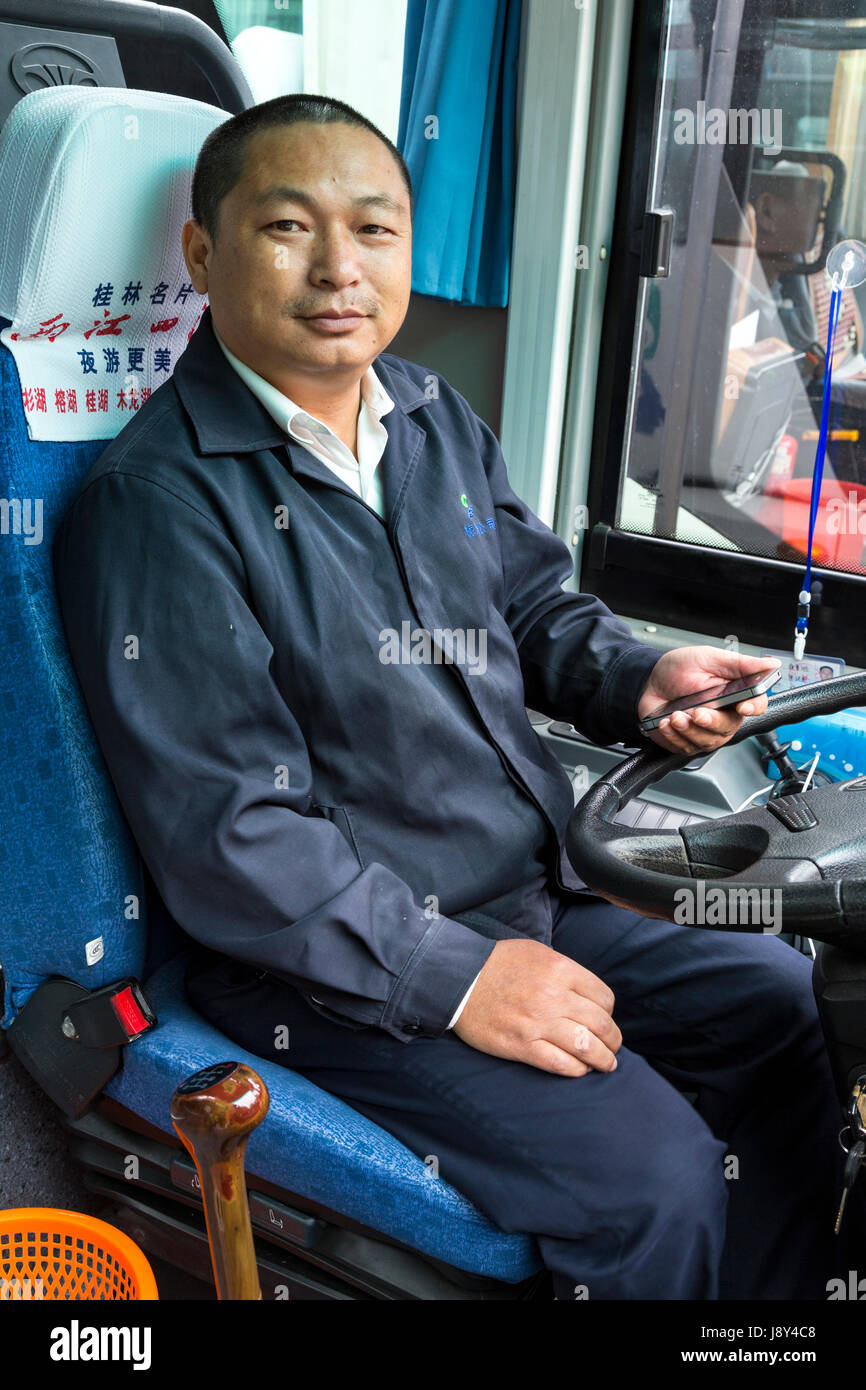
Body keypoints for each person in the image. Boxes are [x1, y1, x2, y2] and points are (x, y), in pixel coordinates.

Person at [53, 94, 858, 1300]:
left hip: (531, 886)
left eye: (373, 230)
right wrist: (459, 977)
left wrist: (642, 675)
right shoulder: (160, 506)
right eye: (286, 227)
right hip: (325, 963)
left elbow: (535, 614)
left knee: (789, 1005)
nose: (338, 268)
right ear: (205, 254)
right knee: (653, 1182)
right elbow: (235, 838)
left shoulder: (430, 420)